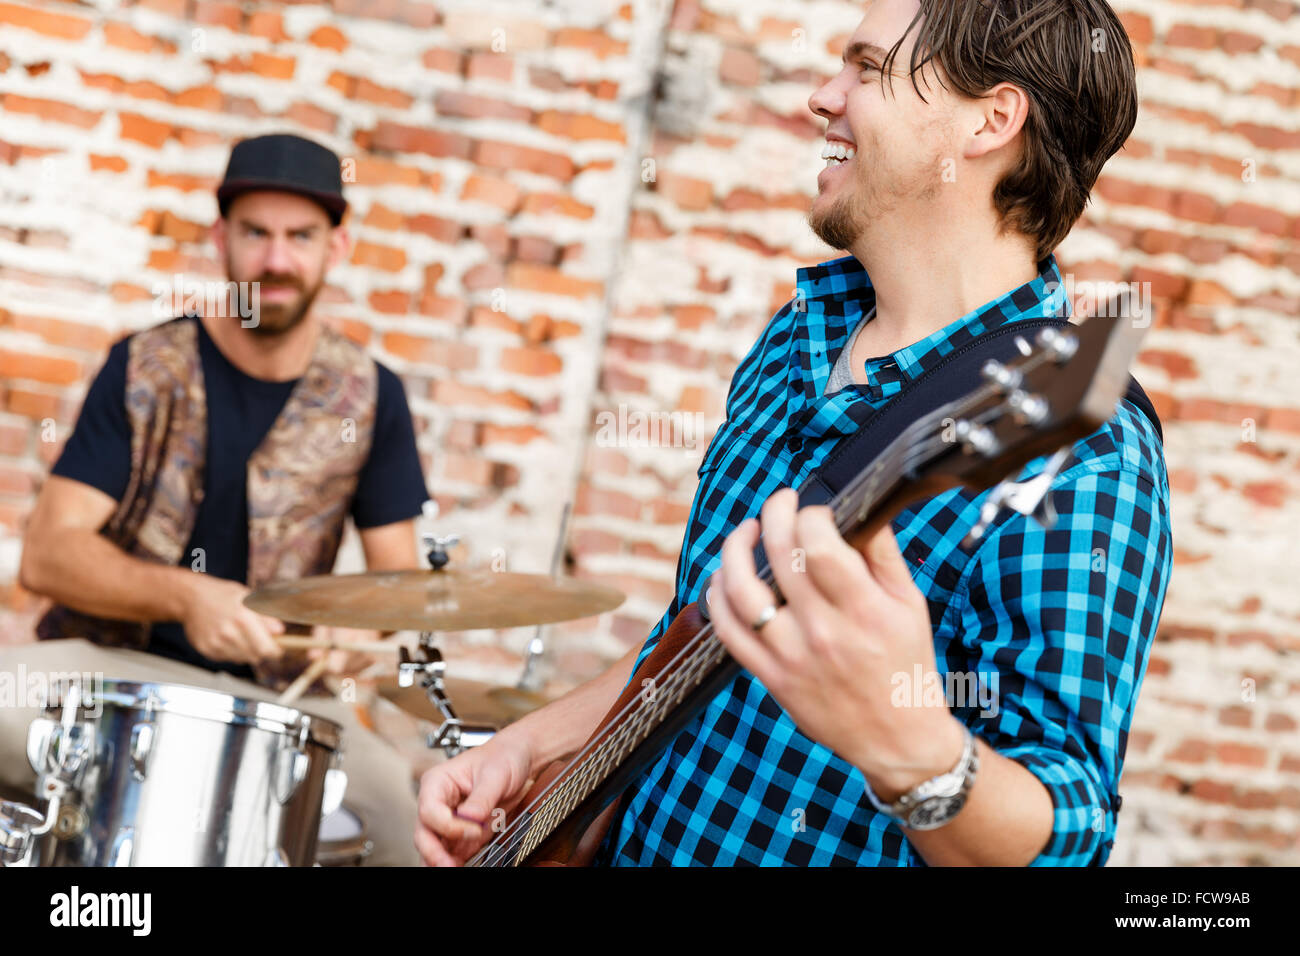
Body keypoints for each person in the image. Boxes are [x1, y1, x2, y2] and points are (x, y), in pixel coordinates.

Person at [415, 0, 1172, 867]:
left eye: (868, 69)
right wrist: (534, 742)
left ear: (990, 121)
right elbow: (700, 636)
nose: (824, 95)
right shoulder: (795, 339)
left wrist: (914, 748)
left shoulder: (1087, 455)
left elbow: (1067, 833)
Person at [12, 132, 430, 864]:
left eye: (301, 236)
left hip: (288, 703)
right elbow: (47, 556)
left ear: (338, 248)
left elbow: (404, 601)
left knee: (404, 820)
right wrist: (186, 598)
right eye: (255, 234)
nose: (276, 260)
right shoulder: (144, 366)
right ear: (220, 240)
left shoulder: (373, 396)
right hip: (110, 675)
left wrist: (359, 640)